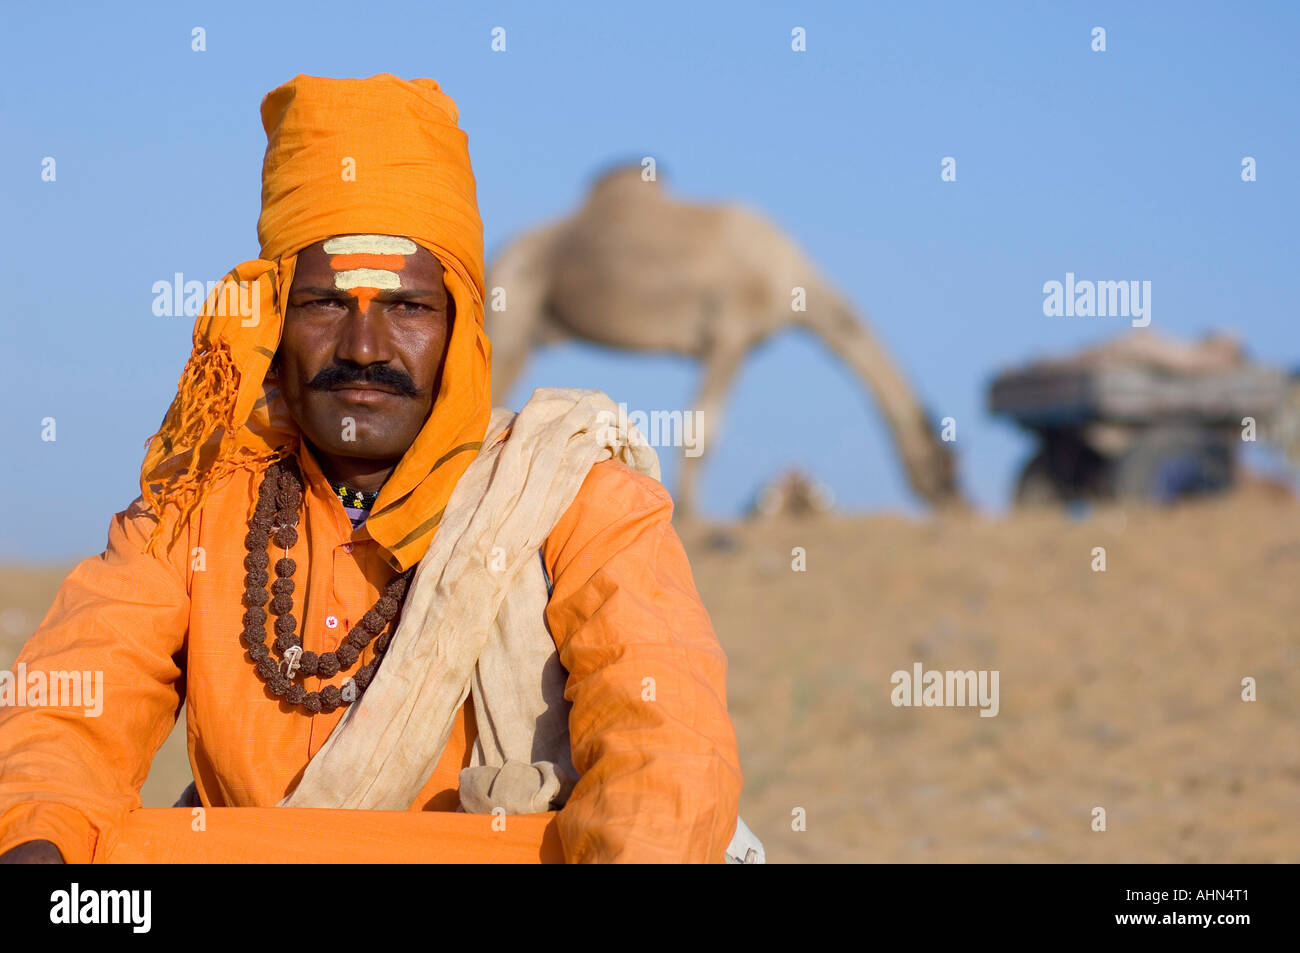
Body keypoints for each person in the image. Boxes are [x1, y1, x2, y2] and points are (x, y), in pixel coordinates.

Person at [0, 74, 744, 864]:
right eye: (325, 304)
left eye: (407, 307)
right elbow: (65, 716)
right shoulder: (193, 509)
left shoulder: (577, 500)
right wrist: (36, 843)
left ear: (460, 326)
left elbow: (664, 748)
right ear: (275, 323)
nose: (363, 347)